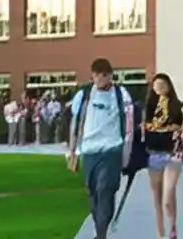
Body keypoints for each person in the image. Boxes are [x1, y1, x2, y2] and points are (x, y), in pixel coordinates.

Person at [68, 58, 135, 239]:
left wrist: (126, 154)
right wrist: (72, 152)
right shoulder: (84, 95)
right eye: (96, 75)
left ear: (110, 76)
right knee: (93, 192)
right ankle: (100, 227)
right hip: (90, 150)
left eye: (103, 75)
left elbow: (128, 125)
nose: (99, 78)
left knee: (105, 188)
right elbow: (75, 124)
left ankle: (102, 233)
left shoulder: (120, 94)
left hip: (111, 148)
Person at [144, 73, 183, 239]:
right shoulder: (149, 107)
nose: (159, 88)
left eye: (163, 85)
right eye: (156, 85)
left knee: (168, 195)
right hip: (153, 154)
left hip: (172, 154)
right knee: (157, 199)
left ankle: (172, 227)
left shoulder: (177, 106)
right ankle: (160, 233)